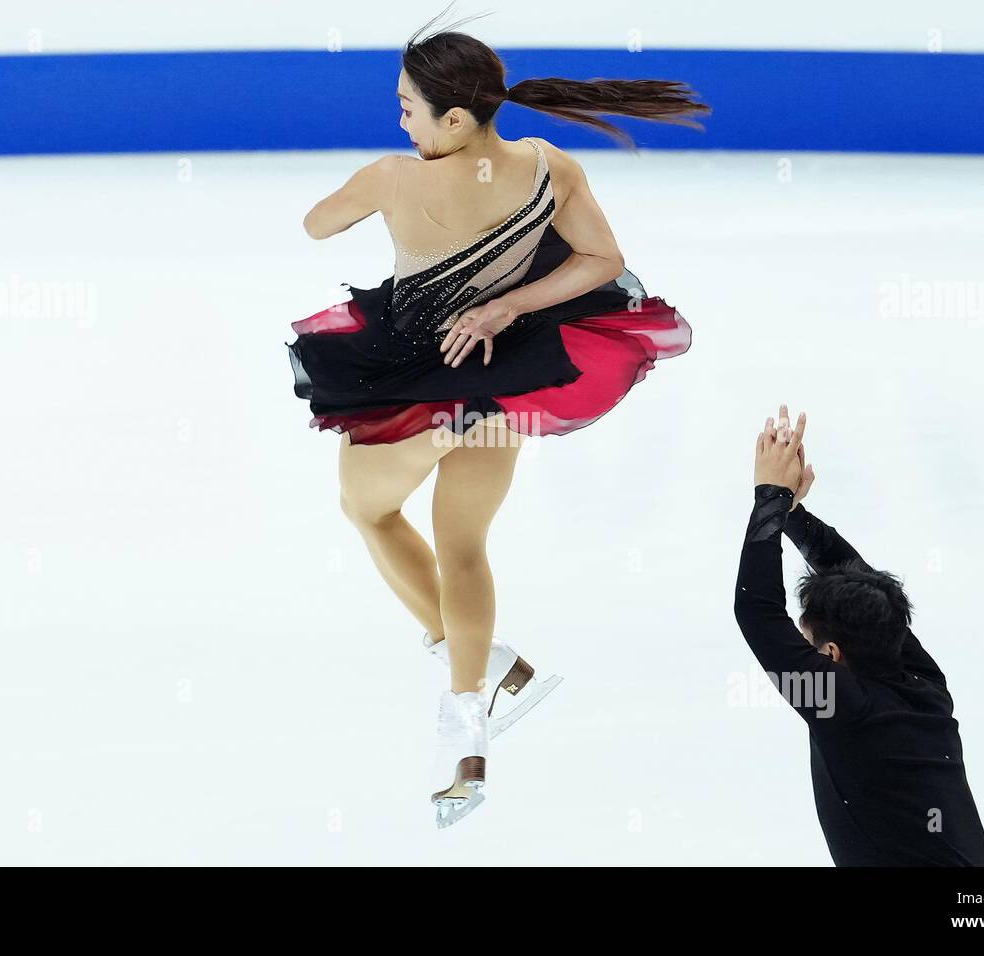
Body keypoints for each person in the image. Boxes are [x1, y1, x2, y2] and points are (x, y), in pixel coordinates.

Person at [285, 10, 704, 827]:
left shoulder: (391, 176)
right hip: (503, 376)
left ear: (453, 116)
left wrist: (390, 181)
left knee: (367, 511)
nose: (399, 116)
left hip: (406, 377)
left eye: (409, 104)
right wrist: (506, 303)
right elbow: (602, 262)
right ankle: (473, 708)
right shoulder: (549, 165)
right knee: (465, 544)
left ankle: (475, 665)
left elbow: (315, 223)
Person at [733, 405, 984, 865]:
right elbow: (857, 577)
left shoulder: (842, 706)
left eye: (805, 638)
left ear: (831, 654)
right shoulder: (923, 684)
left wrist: (770, 495)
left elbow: (757, 610)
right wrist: (791, 512)